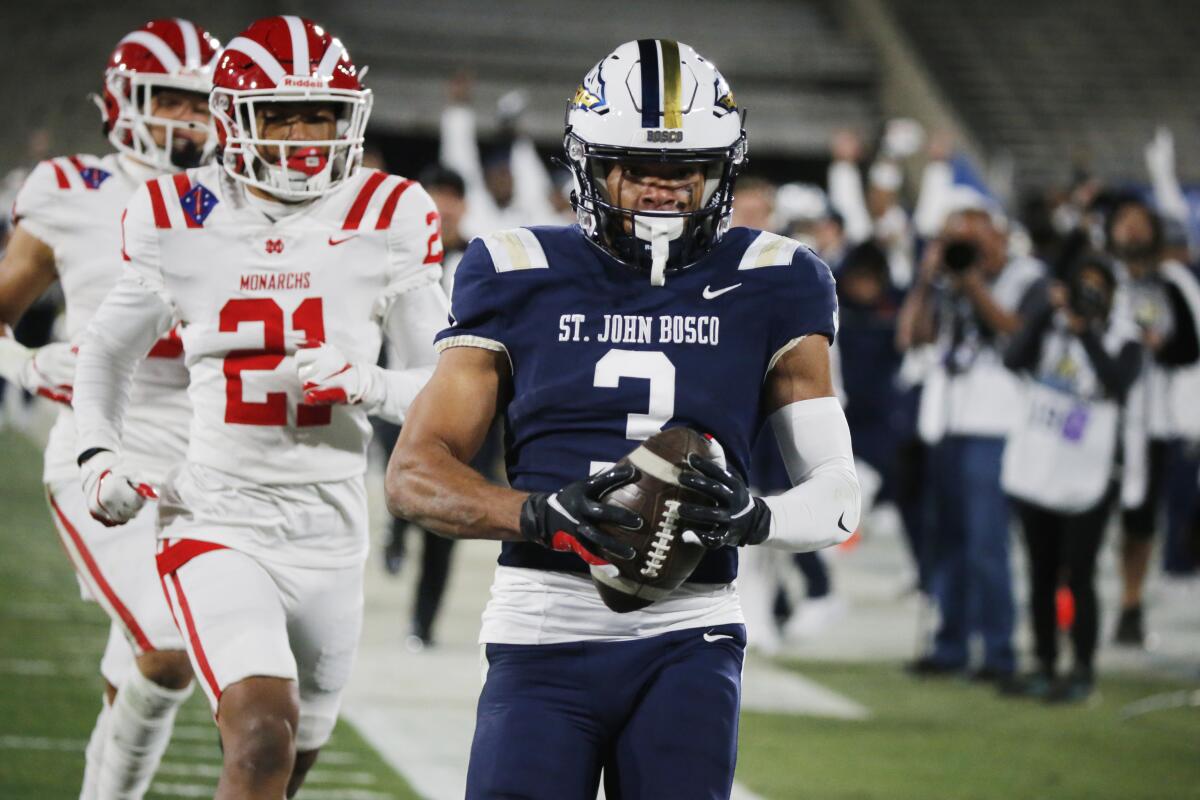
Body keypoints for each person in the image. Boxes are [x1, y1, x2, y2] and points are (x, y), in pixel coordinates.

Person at [386, 39, 860, 799]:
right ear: (591, 167)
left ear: (720, 172)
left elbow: (839, 495)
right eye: (640, 168)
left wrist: (758, 515)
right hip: (545, 619)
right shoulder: (513, 268)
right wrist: (541, 514)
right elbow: (413, 475)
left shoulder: (778, 278)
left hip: (692, 627)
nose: (664, 190)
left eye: (685, 170)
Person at [69, 17, 447, 798]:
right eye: (282, 114)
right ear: (234, 120)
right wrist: (96, 454)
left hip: (333, 530)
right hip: (217, 517)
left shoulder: (390, 213)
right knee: (258, 743)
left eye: (323, 114)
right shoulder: (179, 214)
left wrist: (368, 383)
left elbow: (443, 393)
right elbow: (107, 351)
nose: (306, 134)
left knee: (290, 764)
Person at [0, 20, 219, 799]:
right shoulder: (71, 189)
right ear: (124, 103)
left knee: (159, 662)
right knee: (164, 648)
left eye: (200, 102)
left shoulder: (241, 197)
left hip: (218, 451)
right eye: (169, 100)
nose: (187, 121)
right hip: (107, 442)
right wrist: (25, 363)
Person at [898, 200, 1044, 681]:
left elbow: (1017, 335)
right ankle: (951, 643)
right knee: (948, 542)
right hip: (946, 422)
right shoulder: (945, 282)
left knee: (986, 543)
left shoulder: (1028, 277)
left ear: (998, 235)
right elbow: (912, 337)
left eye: (975, 239)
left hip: (997, 424)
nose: (968, 250)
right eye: (958, 240)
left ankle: (999, 650)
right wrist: (926, 279)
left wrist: (973, 284)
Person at [1001, 255, 1142, 702]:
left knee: (1078, 573)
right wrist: (1048, 309)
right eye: (1082, 286)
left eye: (1097, 288)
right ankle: (1044, 661)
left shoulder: (1124, 338)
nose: (1088, 296)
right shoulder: (1050, 329)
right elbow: (1013, 357)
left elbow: (1118, 382)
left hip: (1090, 471)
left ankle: (1082, 668)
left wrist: (1086, 331)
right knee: (1041, 571)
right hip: (1041, 463)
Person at [1106, 197, 1200, 645]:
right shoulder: (1099, 276)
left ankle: (1131, 602)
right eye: (1124, 222)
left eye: (1140, 224)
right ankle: (1069, 599)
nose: (1132, 232)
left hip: (1154, 421)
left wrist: (1160, 344)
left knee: (1141, 520)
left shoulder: (1172, 282)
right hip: (1098, 418)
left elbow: (1190, 348)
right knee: (1078, 511)